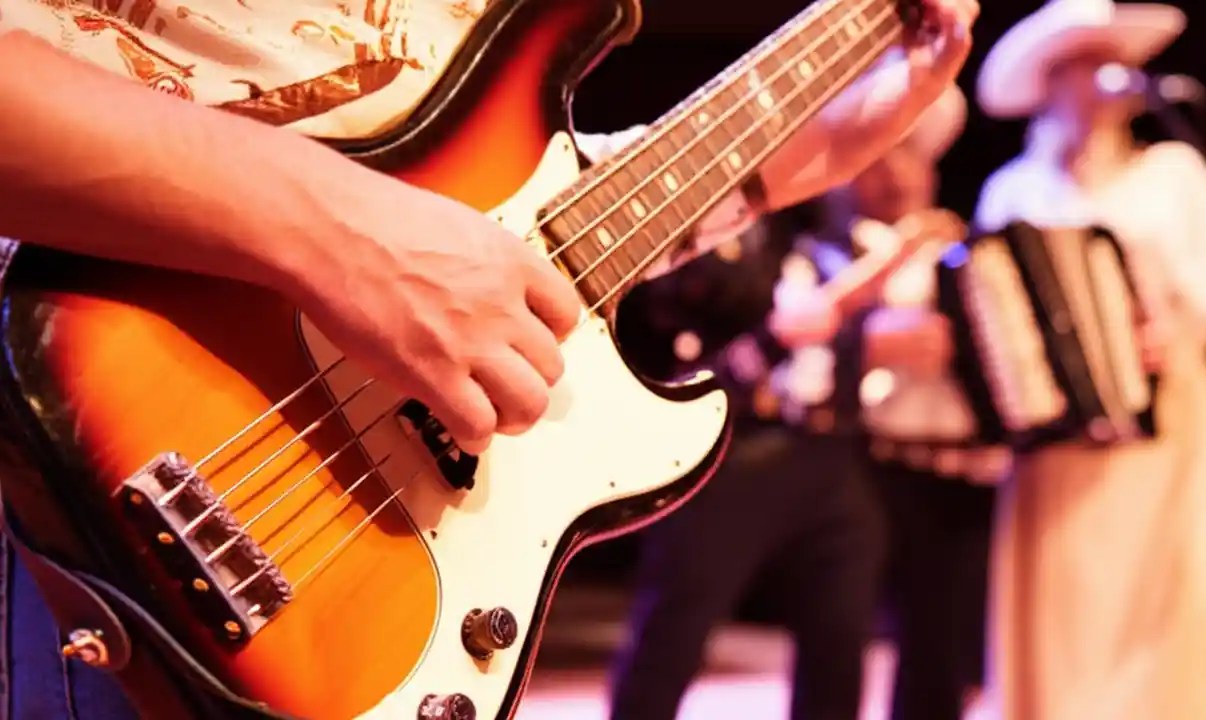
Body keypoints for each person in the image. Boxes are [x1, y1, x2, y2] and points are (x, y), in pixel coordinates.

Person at [0, 0, 979, 717]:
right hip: (93, 434)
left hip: (346, 548)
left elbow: (479, 188)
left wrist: (764, 171)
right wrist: (341, 238)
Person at [605, 81, 971, 720]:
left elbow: (847, 342)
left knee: (840, 638)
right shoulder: (730, 234)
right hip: (733, 460)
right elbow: (688, 363)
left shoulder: (843, 242)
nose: (880, 166)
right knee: (675, 632)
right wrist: (778, 337)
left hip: (831, 458)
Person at [971, 0, 1206, 717]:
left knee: (1179, 583)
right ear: (1049, 83)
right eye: (1083, 64)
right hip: (1059, 440)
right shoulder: (1017, 190)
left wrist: (1172, 319)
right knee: (1072, 590)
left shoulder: (1172, 172)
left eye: (1112, 62)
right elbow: (991, 308)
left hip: (1170, 416)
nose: (1106, 78)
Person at [831, 89, 1000, 720]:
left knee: (945, 638)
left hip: (965, 464)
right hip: (874, 464)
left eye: (910, 154)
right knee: (846, 628)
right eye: (878, 157)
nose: (896, 172)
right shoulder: (841, 249)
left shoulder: (969, 251)